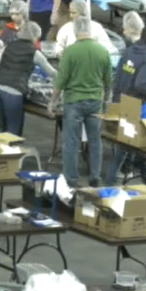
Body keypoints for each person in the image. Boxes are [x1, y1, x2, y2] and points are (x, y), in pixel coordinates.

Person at [50, 17, 112, 187]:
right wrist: (105, 102)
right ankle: (95, 176)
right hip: (95, 102)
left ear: (75, 31)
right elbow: (108, 81)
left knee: (71, 141)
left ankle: (72, 179)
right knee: (95, 140)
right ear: (90, 30)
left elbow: (61, 79)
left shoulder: (70, 51)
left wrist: (52, 101)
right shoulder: (102, 51)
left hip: (74, 102)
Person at [103, 15, 146, 186]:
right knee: (132, 144)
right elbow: (141, 84)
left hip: (122, 100)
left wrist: (115, 100)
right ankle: (112, 182)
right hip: (136, 106)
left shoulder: (129, 51)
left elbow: (119, 75)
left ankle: (122, 176)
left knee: (124, 144)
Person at [0, 22, 56, 135]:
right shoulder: (35, 53)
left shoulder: (8, 47)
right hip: (13, 91)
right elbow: (51, 72)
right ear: (35, 36)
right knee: (12, 131)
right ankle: (11, 152)